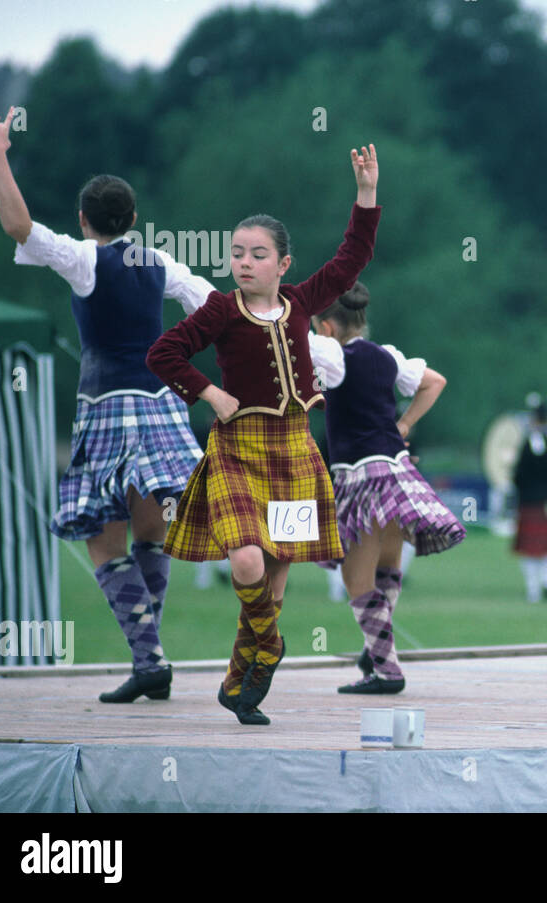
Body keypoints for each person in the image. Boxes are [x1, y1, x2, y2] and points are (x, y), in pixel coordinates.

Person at [0, 107, 214, 703]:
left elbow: (18, 226)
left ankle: (148, 658)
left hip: (107, 405)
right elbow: (216, 311)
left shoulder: (84, 258)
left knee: (102, 540)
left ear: (85, 221)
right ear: (134, 219)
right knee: (151, 532)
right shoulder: (160, 262)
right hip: (161, 406)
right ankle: (149, 659)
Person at [146, 144, 381, 725]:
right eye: (236, 254)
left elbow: (352, 259)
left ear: (283, 263)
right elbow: (164, 352)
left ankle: (238, 684)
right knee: (247, 564)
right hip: (237, 454)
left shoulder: (302, 302)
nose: (244, 263)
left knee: (273, 589)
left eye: (258, 254)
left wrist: (367, 194)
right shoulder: (220, 310)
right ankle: (271, 650)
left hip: (296, 452)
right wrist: (210, 392)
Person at [308, 281, 464, 693]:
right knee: (386, 567)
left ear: (326, 327)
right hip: (396, 470)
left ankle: (386, 668)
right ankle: (378, 648)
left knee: (356, 577)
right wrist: (405, 423)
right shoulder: (387, 356)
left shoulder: (332, 355)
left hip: (360, 475)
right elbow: (436, 381)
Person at [512, 393, 547, 602]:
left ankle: (534, 589)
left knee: (530, 550)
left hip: (530, 503)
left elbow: (519, 476)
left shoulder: (529, 444)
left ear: (534, 420)